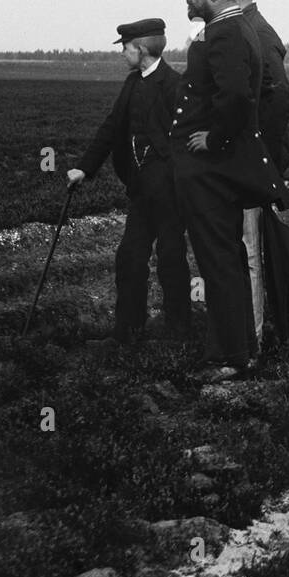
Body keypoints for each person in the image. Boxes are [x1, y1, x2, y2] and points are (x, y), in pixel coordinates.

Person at [172, 0, 289, 381]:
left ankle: (227, 357)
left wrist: (214, 138)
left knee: (219, 260)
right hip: (217, 170)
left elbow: (237, 97)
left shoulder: (226, 32)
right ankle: (237, 348)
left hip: (211, 171)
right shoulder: (233, 28)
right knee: (228, 258)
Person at [68, 19, 191, 346]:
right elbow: (111, 127)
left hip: (169, 194)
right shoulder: (131, 83)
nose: (123, 53)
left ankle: (178, 334)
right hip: (140, 192)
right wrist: (84, 168)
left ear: (141, 48)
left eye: (126, 47)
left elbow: (183, 142)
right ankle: (128, 333)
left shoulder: (175, 85)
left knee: (170, 261)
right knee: (130, 259)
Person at [236, 0, 289, 349]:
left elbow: (280, 97)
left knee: (253, 251)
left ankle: (255, 339)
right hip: (248, 163)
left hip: (255, 165)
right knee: (249, 250)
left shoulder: (257, 31)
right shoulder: (245, 28)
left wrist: (263, 161)